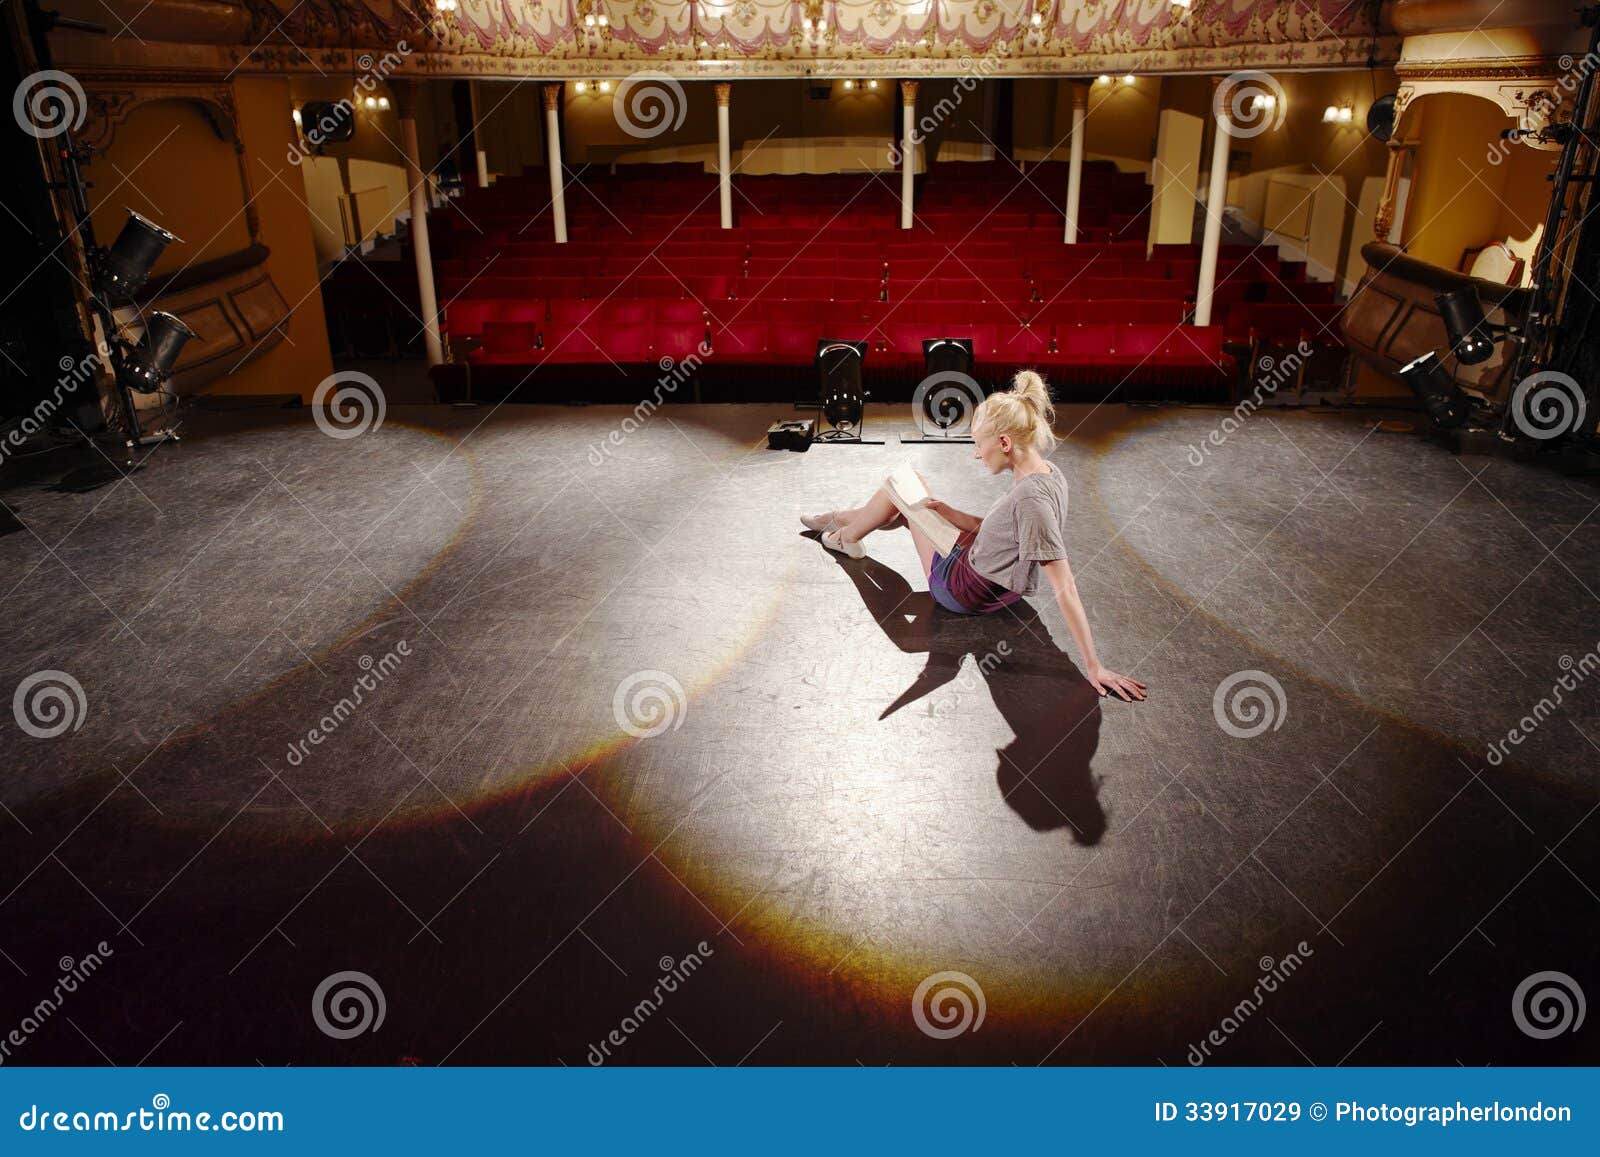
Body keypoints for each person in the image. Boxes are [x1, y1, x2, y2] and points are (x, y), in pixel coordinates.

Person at [801, 370, 1147, 703]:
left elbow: (1065, 587)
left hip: (959, 589)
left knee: (901, 486)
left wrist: (1094, 666)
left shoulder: (1031, 501)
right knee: (909, 504)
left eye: (979, 445)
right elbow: (1007, 531)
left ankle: (842, 535)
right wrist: (952, 514)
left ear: (1005, 442)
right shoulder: (1048, 475)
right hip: (987, 578)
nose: (976, 454)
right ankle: (832, 520)